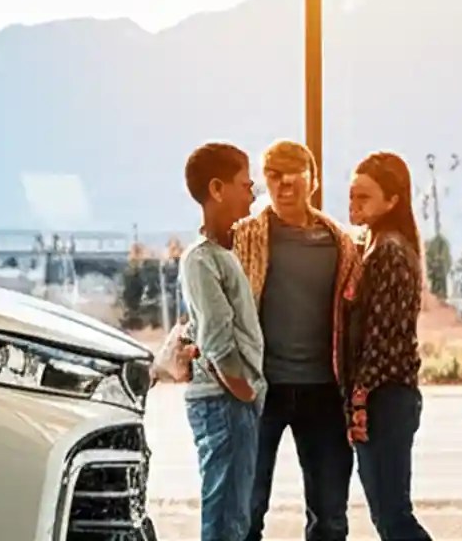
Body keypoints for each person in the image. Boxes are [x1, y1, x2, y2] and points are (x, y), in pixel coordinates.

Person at [232, 139, 363, 541]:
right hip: (261, 391)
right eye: (274, 176)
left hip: (324, 391)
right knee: (247, 511)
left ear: (314, 180)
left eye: (295, 176)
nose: (284, 185)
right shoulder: (246, 236)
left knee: (330, 516)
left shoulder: (341, 243)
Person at [180, 142, 268, 541]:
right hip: (224, 403)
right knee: (226, 520)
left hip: (232, 401)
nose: (252, 192)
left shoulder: (222, 253)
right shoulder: (201, 259)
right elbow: (217, 339)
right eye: (245, 184)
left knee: (235, 516)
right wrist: (244, 392)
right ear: (217, 189)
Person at [346, 151, 432, 541]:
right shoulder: (373, 244)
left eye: (364, 196)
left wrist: (359, 398)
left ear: (392, 200)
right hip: (384, 397)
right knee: (387, 515)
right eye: (352, 195)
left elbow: (382, 337)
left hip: (385, 398)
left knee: (394, 516)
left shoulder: (390, 251)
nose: (354, 204)